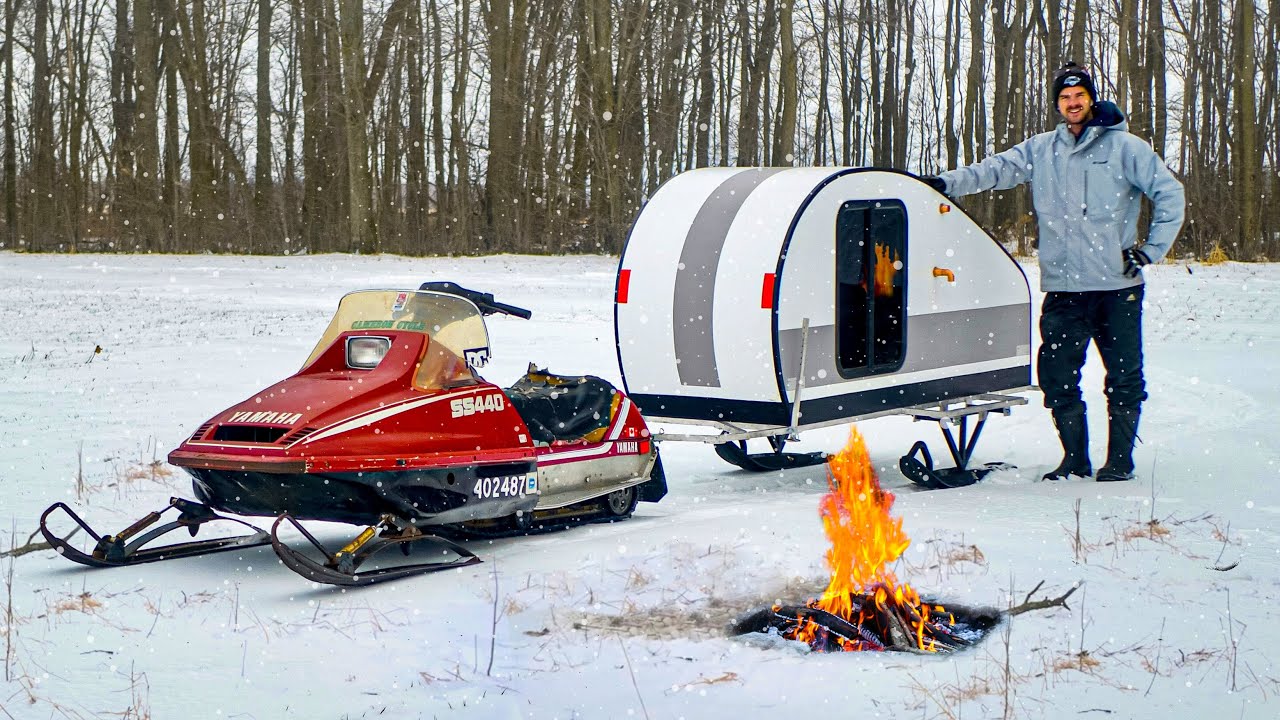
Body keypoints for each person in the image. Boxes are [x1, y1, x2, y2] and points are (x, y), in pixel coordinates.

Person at [921, 61, 1185, 482]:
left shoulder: (1126, 148)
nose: (1073, 103)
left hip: (1117, 288)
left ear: (1091, 99)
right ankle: (1075, 460)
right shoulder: (1043, 149)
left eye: (1079, 95)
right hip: (1064, 289)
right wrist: (945, 183)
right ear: (1057, 104)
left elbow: (1169, 193)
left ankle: (1119, 463)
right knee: (1057, 376)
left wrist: (1151, 250)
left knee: (1124, 378)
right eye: (1065, 97)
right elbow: (995, 169)